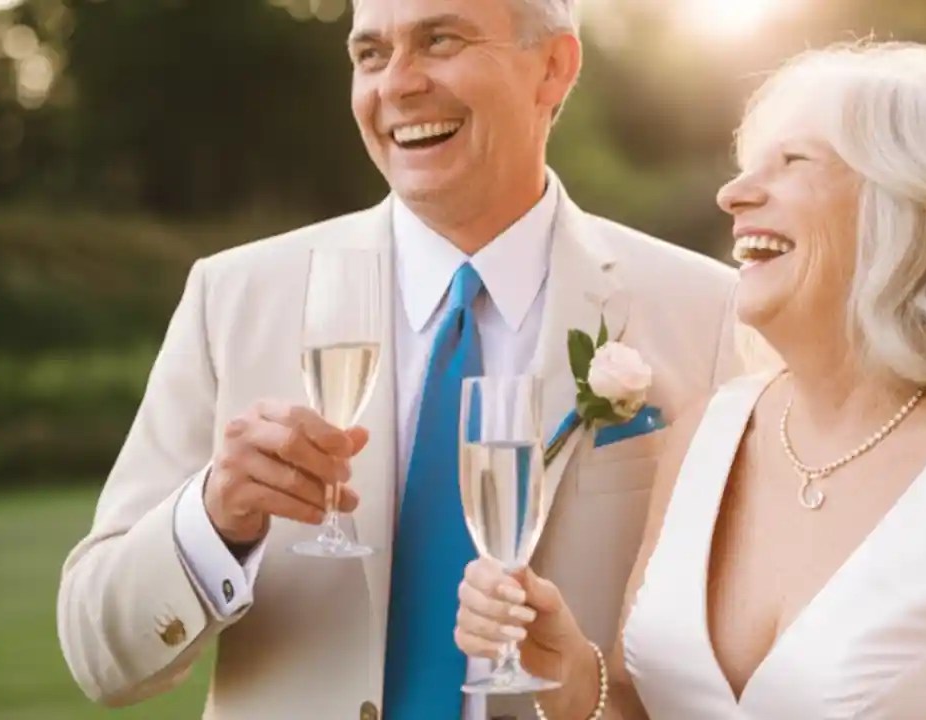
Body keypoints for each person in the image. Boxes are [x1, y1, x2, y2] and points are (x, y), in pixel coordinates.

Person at [454, 41, 926, 719]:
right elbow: (639, 708)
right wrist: (575, 675)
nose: (733, 193)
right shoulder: (707, 434)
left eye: (792, 162)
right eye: (747, 164)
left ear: (918, 205)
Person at [55, 1, 739, 718]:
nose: (397, 85)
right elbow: (98, 656)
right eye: (371, 54)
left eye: (439, 40)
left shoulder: (710, 313)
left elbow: (741, 674)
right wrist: (213, 519)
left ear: (554, 68)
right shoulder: (230, 298)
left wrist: (585, 686)